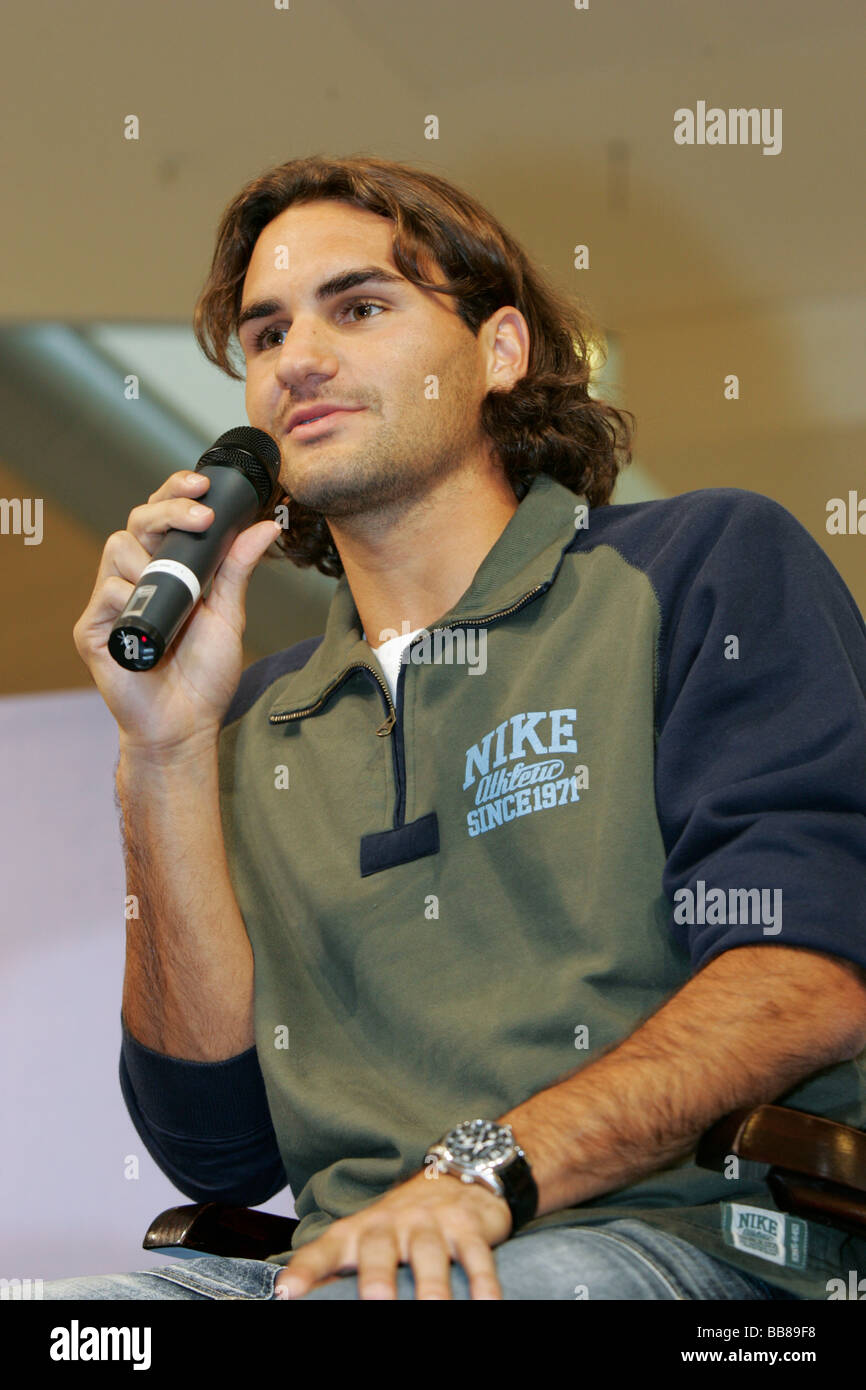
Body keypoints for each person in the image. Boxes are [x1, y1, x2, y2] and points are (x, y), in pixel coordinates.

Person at [52, 154, 866, 1301]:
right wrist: (164, 750)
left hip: (678, 1242)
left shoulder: (696, 569)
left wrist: (487, 1172)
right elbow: (219, 1148)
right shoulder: (241, 717)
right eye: (267, 333)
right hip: (340, 1272)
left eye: (360, 306)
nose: (302, 360)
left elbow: (805, 974)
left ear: (499, 351)